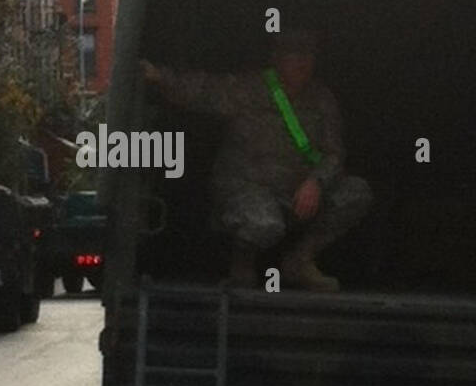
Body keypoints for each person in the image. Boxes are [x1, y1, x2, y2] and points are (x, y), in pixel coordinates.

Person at [140, 28, 372, 291]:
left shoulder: (321, 99)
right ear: (277, 58)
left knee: (355, 193)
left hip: (296, 193)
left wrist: (316, 182)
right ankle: (242, 265)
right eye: (293, 54)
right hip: (247, 190)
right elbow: (203, 90)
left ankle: (300, 260)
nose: (301, 62)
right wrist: (159, 76)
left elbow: (333, 153)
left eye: (307, 55)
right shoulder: (249, 89)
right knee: (263, 225)